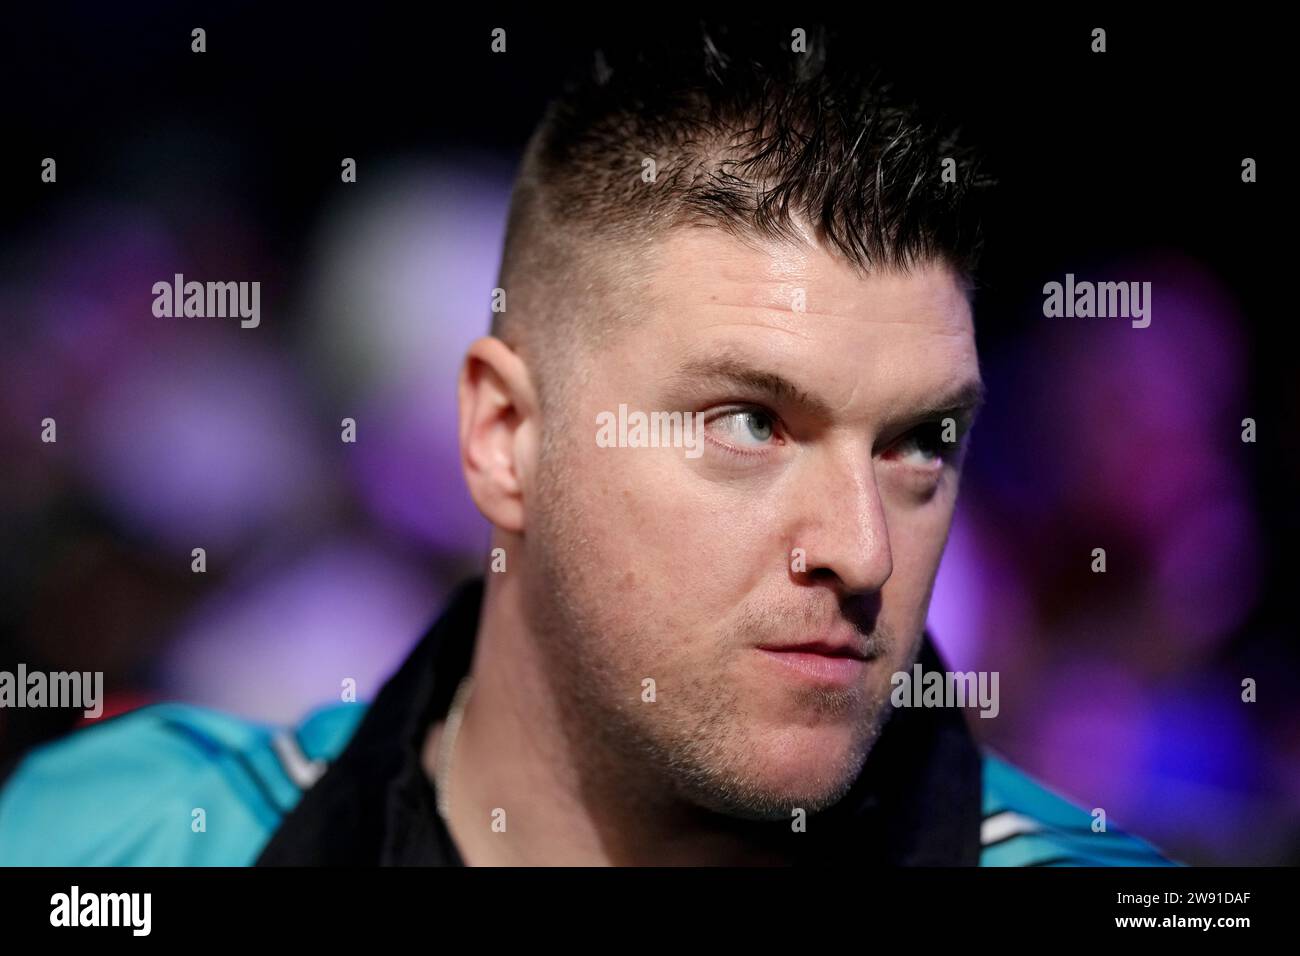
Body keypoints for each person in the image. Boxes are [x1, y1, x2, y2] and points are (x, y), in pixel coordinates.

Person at [0, 21, 1172, 867]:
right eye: (750, 421)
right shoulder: (120, 835)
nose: (862, 549)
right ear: (504, 435)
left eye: (921, 441)